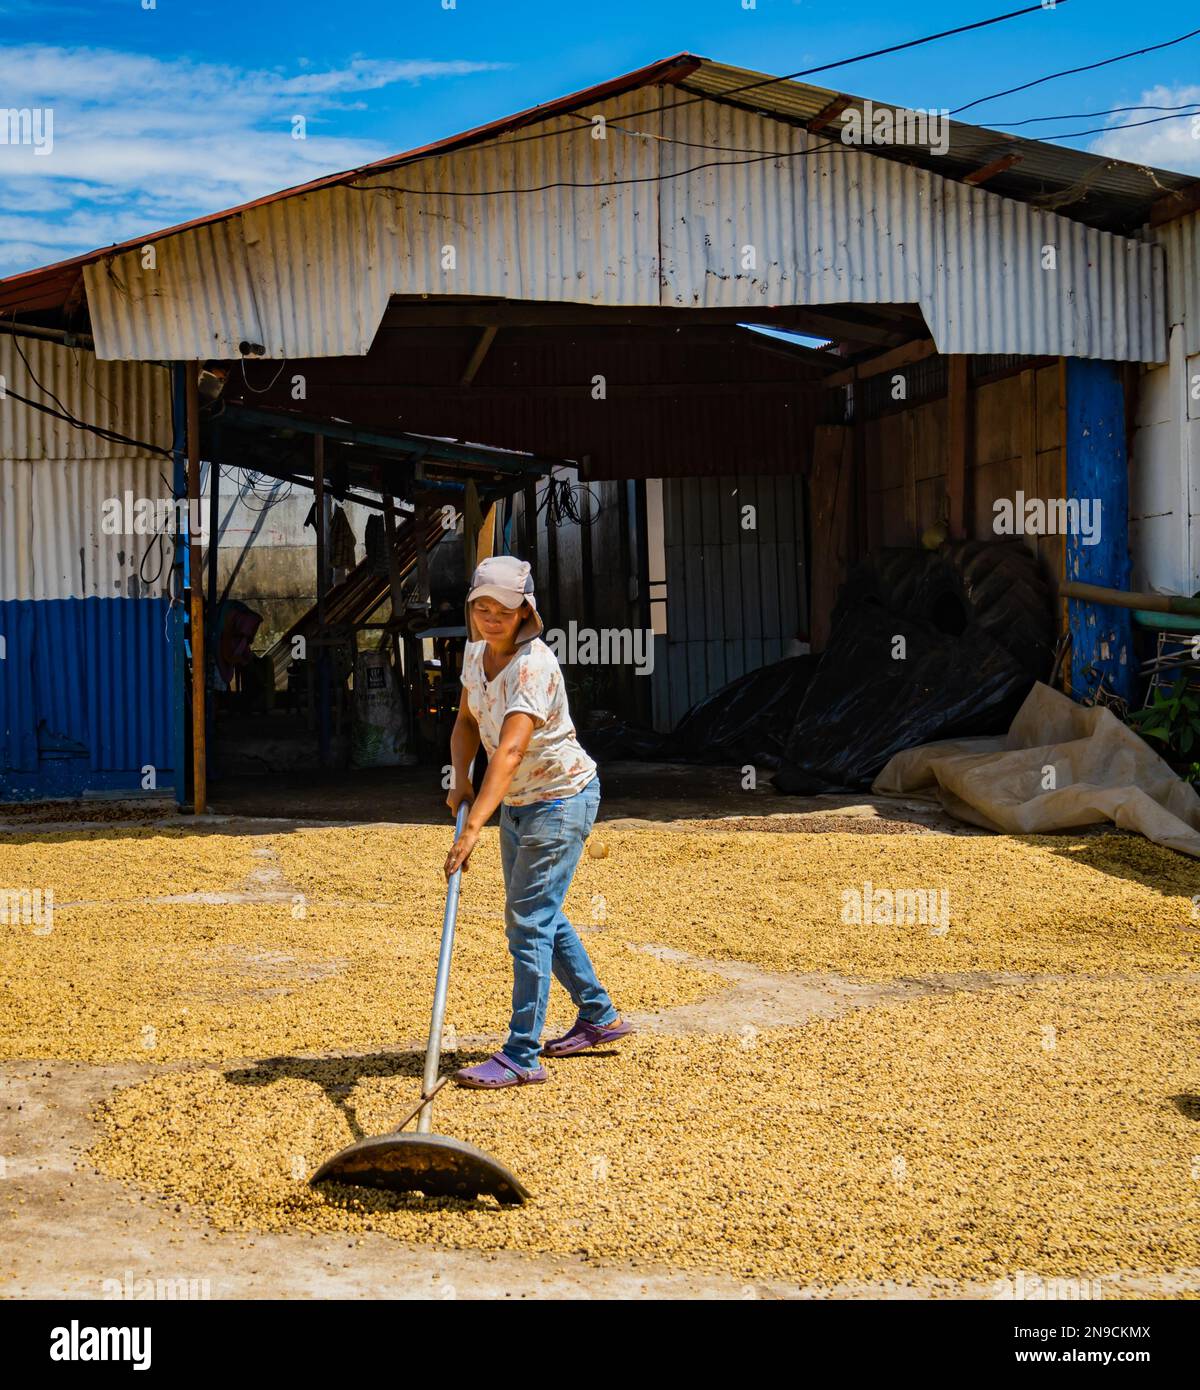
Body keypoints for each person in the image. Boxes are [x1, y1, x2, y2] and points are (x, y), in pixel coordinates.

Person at [444, 554, 632, 1088]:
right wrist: (460, 780)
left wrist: (475, 824)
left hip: (560, 799)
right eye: (480, 607)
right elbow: (464, 720)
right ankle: (599, 1016)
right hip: (521, 802)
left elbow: (508, 750)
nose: (490, 617)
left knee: (528, 922)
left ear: (525, 608)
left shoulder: (533, 665)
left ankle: (522, 1054)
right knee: (538, 913)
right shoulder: (475, 652)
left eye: (501, 607)